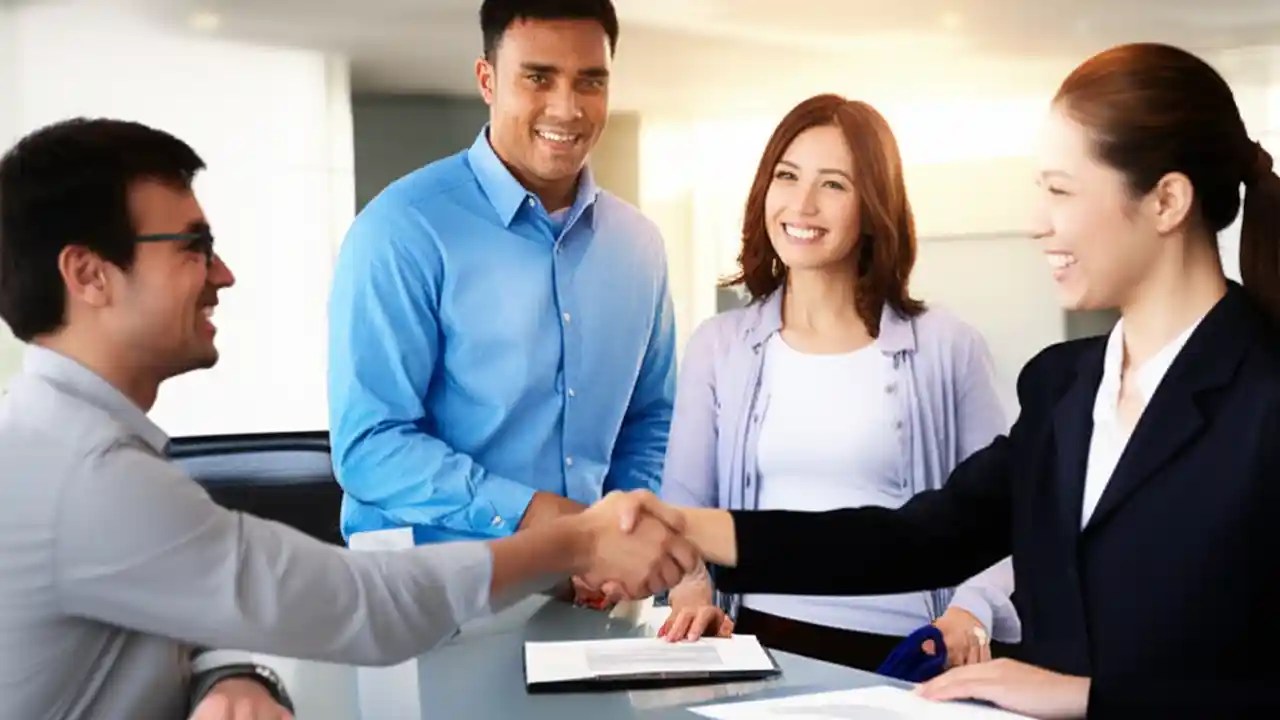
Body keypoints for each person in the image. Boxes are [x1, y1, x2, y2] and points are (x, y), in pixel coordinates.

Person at [613, 42, 1280, 717]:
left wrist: (1088, 697)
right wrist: (683, 525)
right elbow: (914, 539)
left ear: (1166, 200)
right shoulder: (1063, 390)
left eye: (1060, 191)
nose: (1036, 223)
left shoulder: (1264, 395)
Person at [0, 117, 698, 720]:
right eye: (193, 247)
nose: (223, 275)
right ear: (89, 275)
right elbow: (363, 604)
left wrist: (231, 669)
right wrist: (574, 540)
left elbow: (178, 601)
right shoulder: (90, 478)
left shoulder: (57, 448)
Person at [326, 0, 676, 602]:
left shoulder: (638, 245)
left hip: (592, 605)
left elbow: (652, 420)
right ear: (487, 80)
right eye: (538, 77)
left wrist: (617, 540)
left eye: (590, 81)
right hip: (432, 605)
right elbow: (370, 446)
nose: (567, 109)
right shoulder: (403, 228)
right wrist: (547, 522)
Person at [655, 94, 1019, 672]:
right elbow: (683, 506)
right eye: (787, 176)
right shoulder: (718, 346)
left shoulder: (949, 347)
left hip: (906, 658)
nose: (802, 203)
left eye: (833, 185)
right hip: (756, 651)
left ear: (874, 206)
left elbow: (1003, 519)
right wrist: (691, 591)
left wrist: (969, 614)